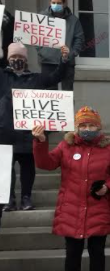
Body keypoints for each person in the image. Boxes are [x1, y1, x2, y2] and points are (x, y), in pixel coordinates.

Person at [32, 107, 110, 271]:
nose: (87, 129)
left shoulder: (109, 149)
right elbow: (46, 163)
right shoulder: (65, 146)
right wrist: (40, 142)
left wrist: (108, 188)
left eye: (91, 125)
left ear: (99, 127)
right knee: (72, 254)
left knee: (97, 252)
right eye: (83, 125)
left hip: (99, 207)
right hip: (72, 209)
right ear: (76, 127)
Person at [2, 43, 69, 212]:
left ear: (25, 60)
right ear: (8, 59)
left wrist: (64, 59)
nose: (17, 60)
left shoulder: (36, 78)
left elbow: (56, 77)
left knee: (27, 168)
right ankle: (8, 199)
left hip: (28, 132)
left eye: (20, 58)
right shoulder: (2, 76)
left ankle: (26, 198)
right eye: (13, 57)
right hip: (5, 130)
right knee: (5, 168)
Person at [36, 0, 84, 91]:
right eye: (53, 2)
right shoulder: (42, 17)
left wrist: (71, 53)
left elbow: (79, 39)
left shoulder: (73, 20)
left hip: (67, 62)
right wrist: (42, 52)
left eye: (59, 3)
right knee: (49, 93)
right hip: (48, 62)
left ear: (64, 4)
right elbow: (35, 36)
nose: (56, 5)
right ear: (50, 3)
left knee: (67, 94)